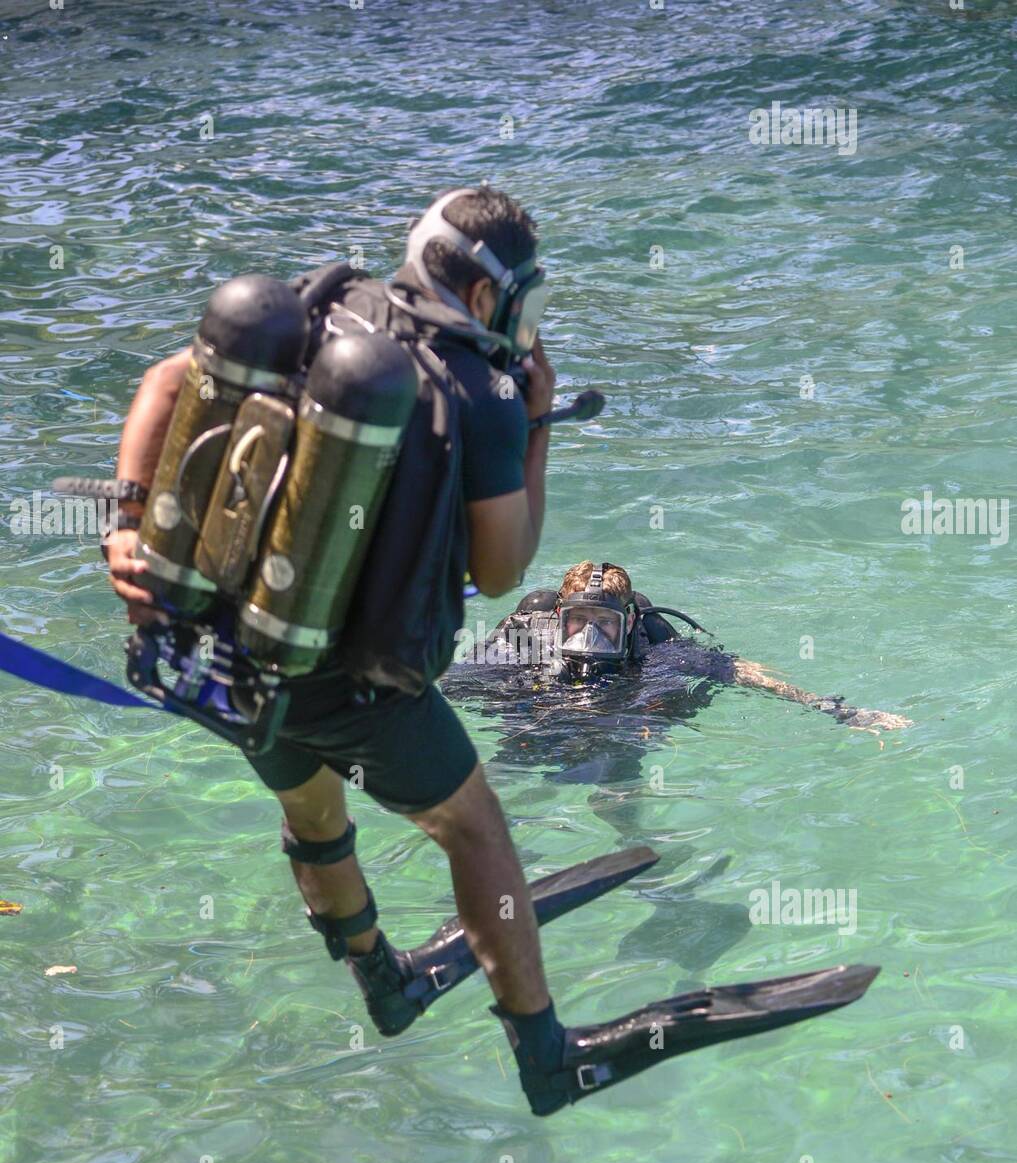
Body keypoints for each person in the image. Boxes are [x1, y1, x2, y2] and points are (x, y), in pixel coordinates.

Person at [101, 192, 878, 1116]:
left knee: (312, 814)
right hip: (354, 682)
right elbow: (503, 569)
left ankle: (380, 979)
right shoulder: (481, 392)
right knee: (478, 835)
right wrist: (536, 424)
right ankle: (546, 1051)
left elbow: (161, 383)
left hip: (231, 648)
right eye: (527, 307)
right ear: (481, 290)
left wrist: (126, 519)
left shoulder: (323, 304)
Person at [464, 560, 913, 734]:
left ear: (632, 622)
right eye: (578, 623)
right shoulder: (529, 637)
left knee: (624, 773)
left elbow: (744, 674)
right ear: (557, 615)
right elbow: (453, 684)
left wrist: (839, 711)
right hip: (546, 726)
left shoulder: (655, 647)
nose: (589, 639)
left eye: (606, 626)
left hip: (619, 723)